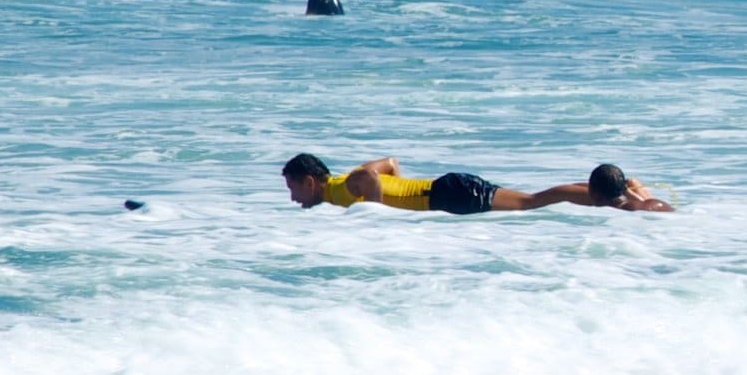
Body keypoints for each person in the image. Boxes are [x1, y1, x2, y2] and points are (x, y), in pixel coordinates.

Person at [281, 154, 672, 214]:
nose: (293, 197)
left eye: (293, 188)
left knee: (531, 202)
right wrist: (402, 191)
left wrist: (381, 213)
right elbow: (390, 162)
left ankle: (620, 200)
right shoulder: (334, 187)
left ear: (311, 181)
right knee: (532, 199)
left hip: (447, 193)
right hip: (444, 188)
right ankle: (624, 190)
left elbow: (368, 174)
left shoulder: (338, 187)